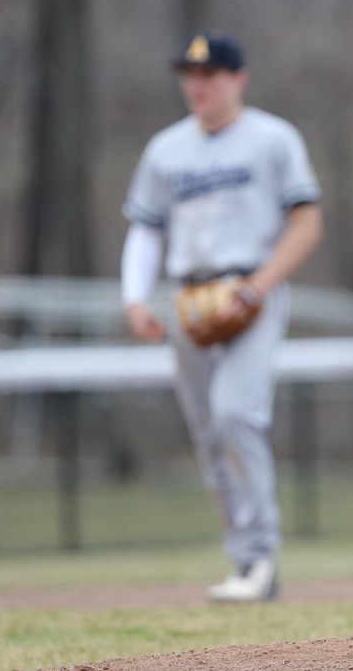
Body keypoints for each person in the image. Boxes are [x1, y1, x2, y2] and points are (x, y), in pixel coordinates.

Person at [120, 31, 324, 602]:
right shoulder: (166, 150)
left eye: (209, 75)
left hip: (250, 291)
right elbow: (145, 229)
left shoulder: (272, 139)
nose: (198, 85)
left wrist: (257, 289)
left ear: (238, 78)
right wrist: (136, 299)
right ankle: (242, 560)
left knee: (236, 415)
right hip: (190, 299)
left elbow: (307, 224)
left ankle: (261, 559)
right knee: (209, 434)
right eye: (190, 75)